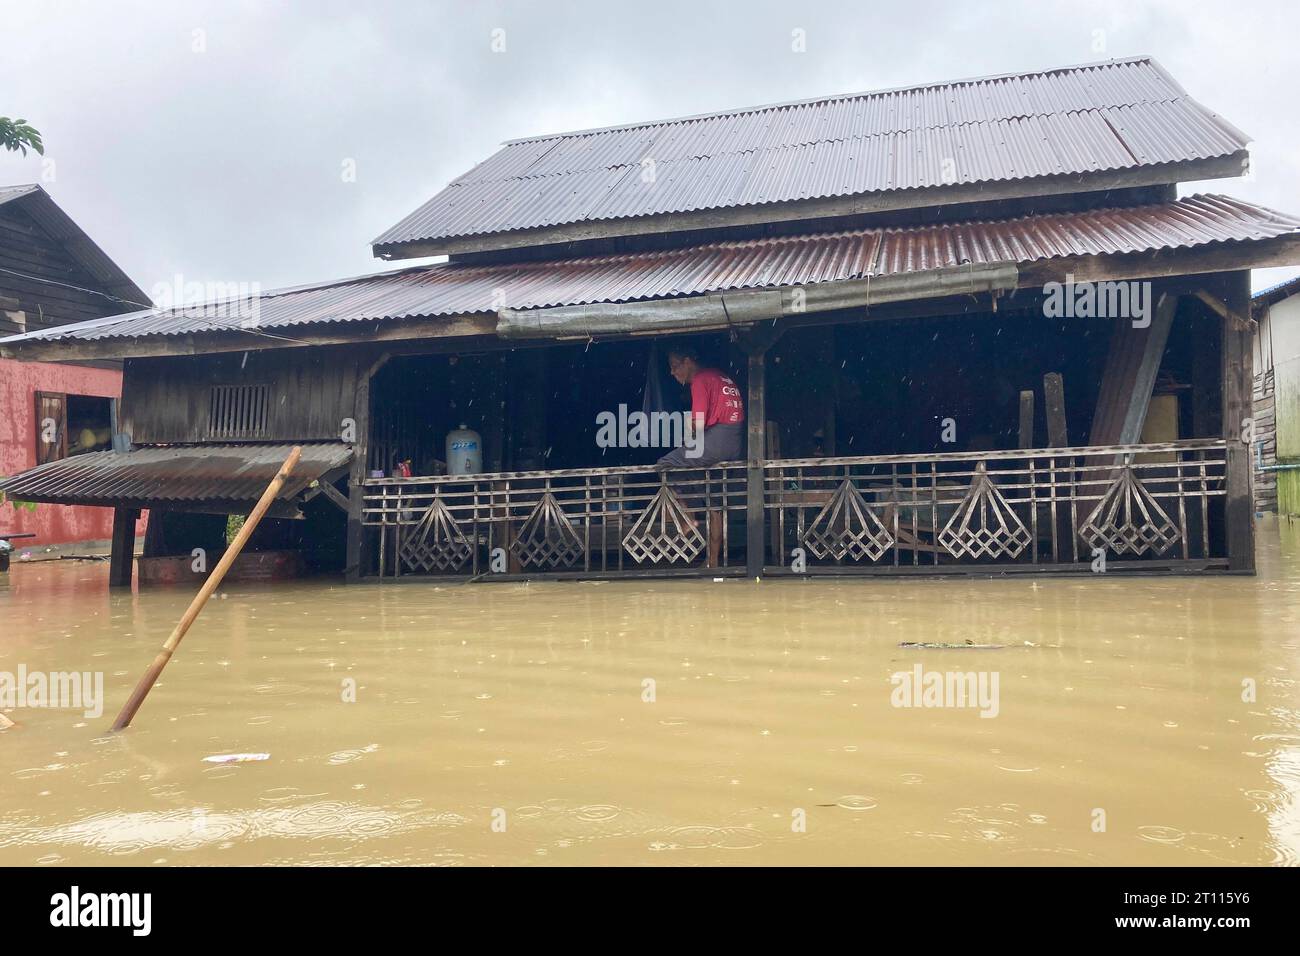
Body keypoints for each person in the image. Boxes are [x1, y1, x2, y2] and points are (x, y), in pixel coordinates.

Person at [655, 346, 745, 567]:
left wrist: (691, 440)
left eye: (675, 367)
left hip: (717, 440)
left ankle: (688, 516)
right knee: (715, 504)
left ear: (688, 362)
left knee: (666, 464)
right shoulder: (720, 376)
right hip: (735, 442)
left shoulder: (700, 380)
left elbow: (699, 424)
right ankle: (712, 562)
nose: (672, 373)